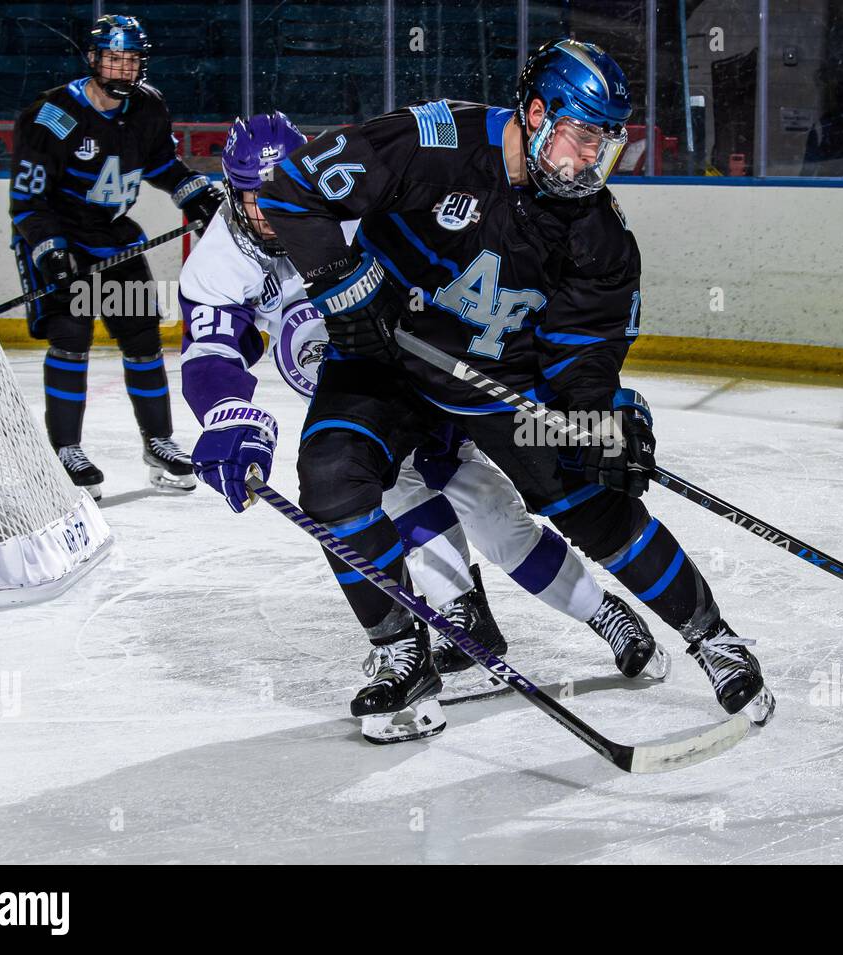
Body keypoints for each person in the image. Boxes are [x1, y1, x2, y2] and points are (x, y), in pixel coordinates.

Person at [258, 39, 778, 740]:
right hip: (385, 359)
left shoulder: (597, 236)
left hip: (499, 386)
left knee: (600, 505)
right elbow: (292, 188)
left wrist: (599, 419)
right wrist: (352, 293)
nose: (593, 161)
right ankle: (400, 650)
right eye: (581, 139)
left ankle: (711, 635)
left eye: (605, 145)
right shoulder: (432, 141)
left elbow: (582, 354)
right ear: (536, 114)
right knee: (329, 476)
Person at [179, 112, 665, 740]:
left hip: (443, 366)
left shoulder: (347, 202)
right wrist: (224, 414)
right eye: (251, 197)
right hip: (363, 390)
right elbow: (212, 347)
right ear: (232, 193)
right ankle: (452, 621)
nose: (267, 214)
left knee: (489, 512)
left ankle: (605, 615)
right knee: (386, 494)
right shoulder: (222, 254)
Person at [8, 14, 222, 500]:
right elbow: (29, 201)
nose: (123, 69)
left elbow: (164, 165)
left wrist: (194, 194)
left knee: (143, 341)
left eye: (131, 60)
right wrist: (52, 254)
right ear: (93, 59)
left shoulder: (148, 106)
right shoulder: (53, 115)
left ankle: (158, 442)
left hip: (112, 236)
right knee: (70, 338)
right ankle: (67, 449)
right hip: (60, 238)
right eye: (113, 59)